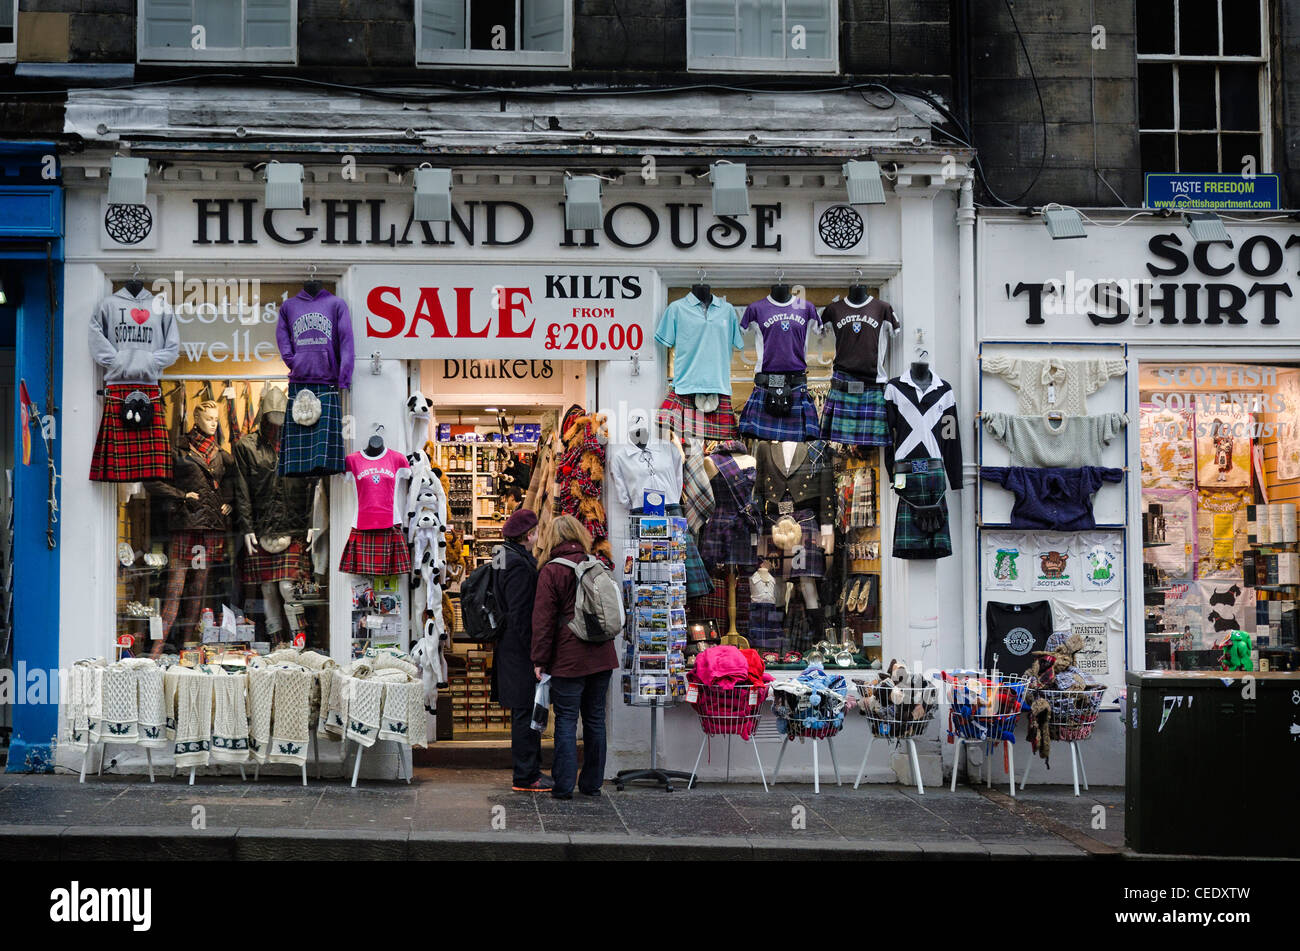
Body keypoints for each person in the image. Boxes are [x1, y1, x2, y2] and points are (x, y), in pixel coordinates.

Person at [531, 515, 618, 799]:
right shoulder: (596, 564)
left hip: (569, 657)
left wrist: (539, 660)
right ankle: (592, 783)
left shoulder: (551, 571)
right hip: (602, 655)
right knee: (595, 719)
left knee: (567, 720)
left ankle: (564, 785)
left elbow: (543, 621)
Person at [491, 507, 549, 792]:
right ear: (529, 534)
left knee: (524, 711)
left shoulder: (502, 555)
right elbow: (521, 613)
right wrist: (536, 653)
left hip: (508, 646)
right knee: (526, 712)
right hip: (519, 650)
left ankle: (530, 771)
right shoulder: (518, 565)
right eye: (536, 531)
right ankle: (527, 776)